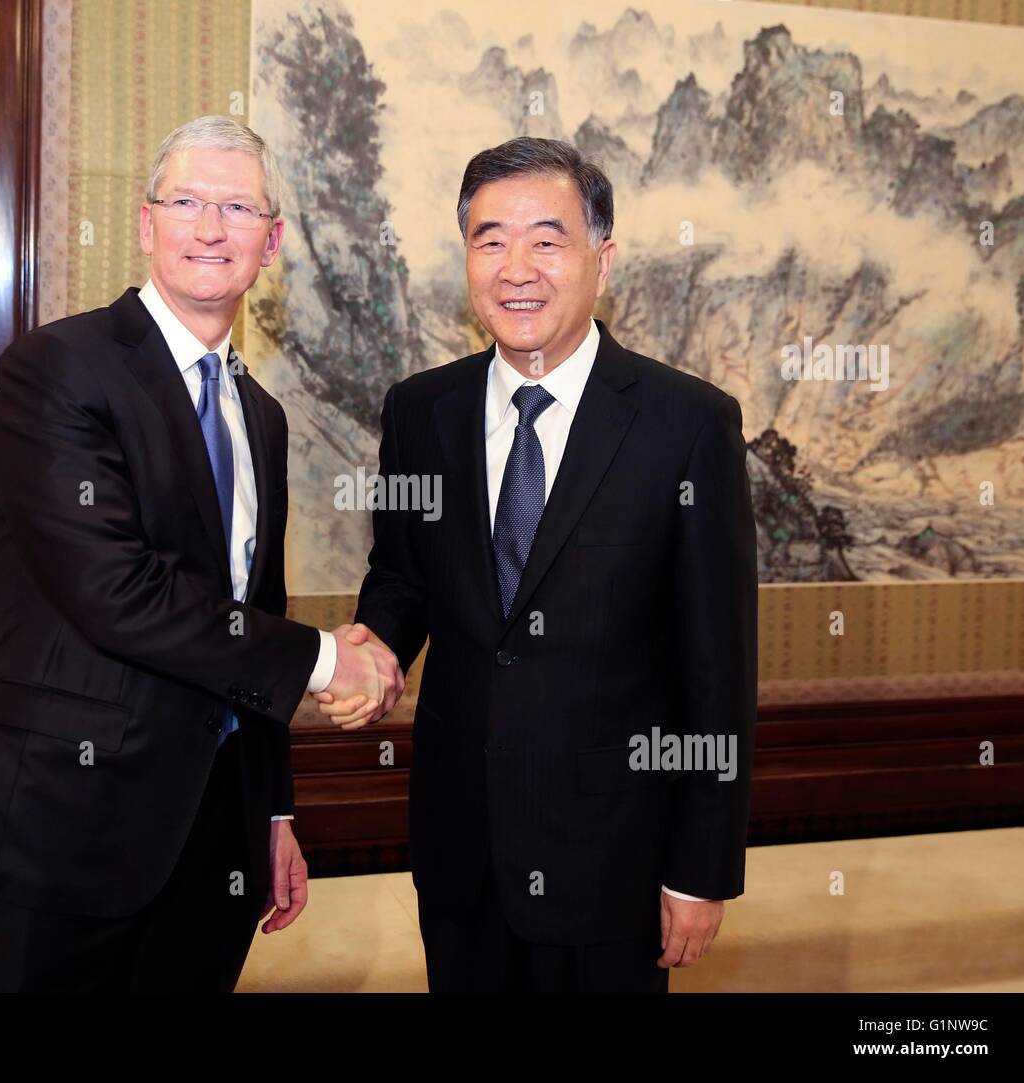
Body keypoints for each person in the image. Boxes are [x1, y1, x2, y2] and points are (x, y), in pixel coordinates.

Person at [0, 116, 400, 992]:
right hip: (60, 836)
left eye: (237, 207)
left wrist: (271, 808)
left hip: (214, 841)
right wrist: (327, 659)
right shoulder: (56, 369)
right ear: (148, 226)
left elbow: (247, 612)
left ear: (270, 243)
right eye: (187, 201)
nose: (211, 226)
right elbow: (118, 592)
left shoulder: (258, 417)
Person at [318, 136, 758, 992]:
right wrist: (376, 646)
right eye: (490, 240)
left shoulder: (688, 425)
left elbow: (719, 667)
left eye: (547, 239)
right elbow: (403, 576)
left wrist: (703, 865)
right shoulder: (420, 412)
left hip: (615, 865)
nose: (516, 266)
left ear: (603, 257)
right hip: (461, 855)